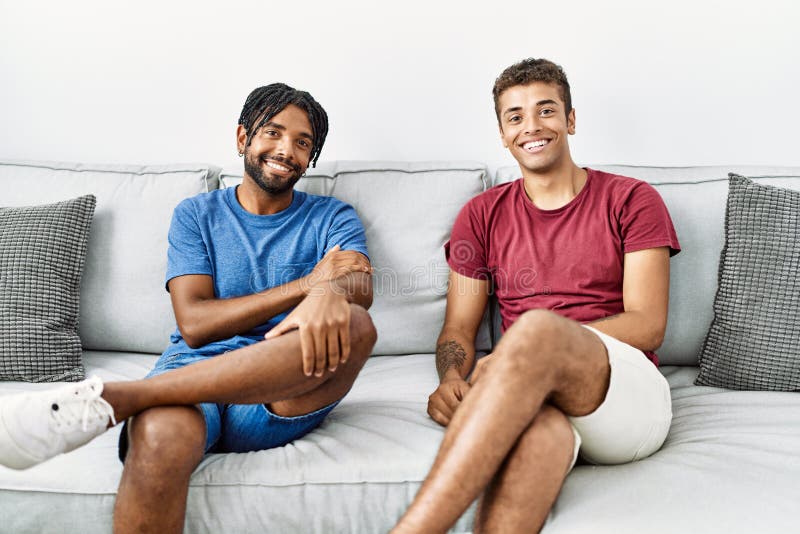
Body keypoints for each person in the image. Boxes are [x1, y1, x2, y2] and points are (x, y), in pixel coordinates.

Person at [0, 83, 377, 533]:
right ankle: (145, 403)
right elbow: (195, 324)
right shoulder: (196, 214)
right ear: (243, 139)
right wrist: (310, 284)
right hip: (191, 376)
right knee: (158, 438)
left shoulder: (332, 216)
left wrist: (330, 293)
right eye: (273, 133)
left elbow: (359, 281)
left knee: (356, 324)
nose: (286, 150)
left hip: (283, 385)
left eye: (302, 142)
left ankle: (121, 398)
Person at [393, 58, 681, 533]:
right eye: (515, 117)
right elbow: (459, 330)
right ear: (503, 135)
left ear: (570, 120)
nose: (532, 126)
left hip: (623, 394)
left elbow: (648, 323)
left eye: (546, 111)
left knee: (538, 330)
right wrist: (450, 379)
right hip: (533, 401)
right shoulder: (481, 215)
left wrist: (527, 352)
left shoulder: (632, 199)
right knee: (534, 450)